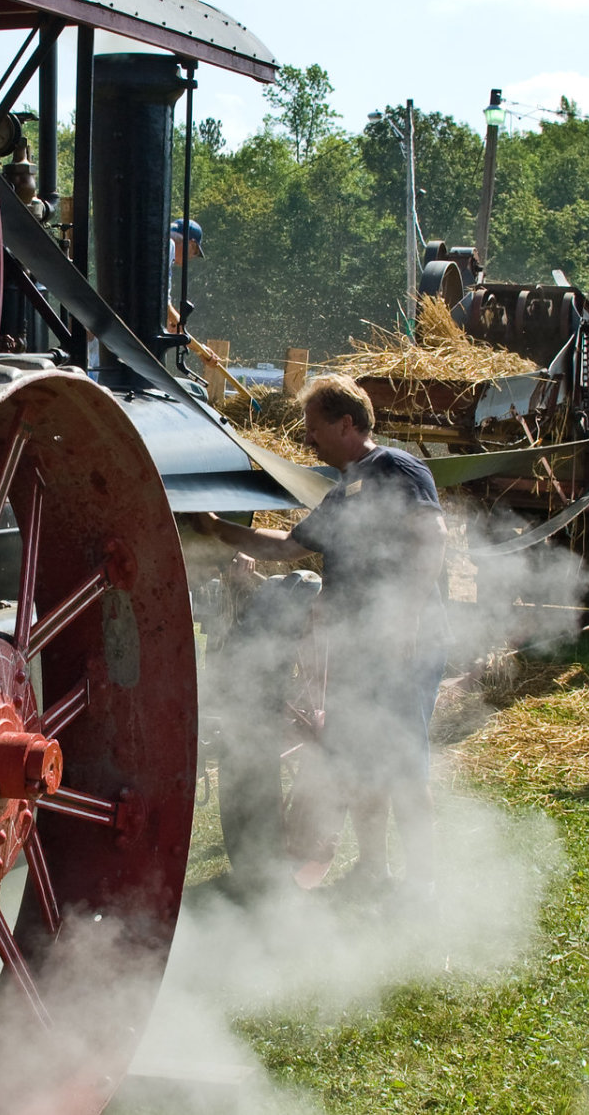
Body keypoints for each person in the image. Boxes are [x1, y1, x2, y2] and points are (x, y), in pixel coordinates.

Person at [195, 373, 447, 895]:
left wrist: (409, 617)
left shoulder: (395, 468)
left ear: (347, 425)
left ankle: (425, 884)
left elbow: (432, 537)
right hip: (360, 646)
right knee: (359, 759)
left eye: (314, 427)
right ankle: (373, 870)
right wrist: (219, 528)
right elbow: (289, 548)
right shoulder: (344, 490)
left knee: (401, 763)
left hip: (404, 641)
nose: (308, 438)